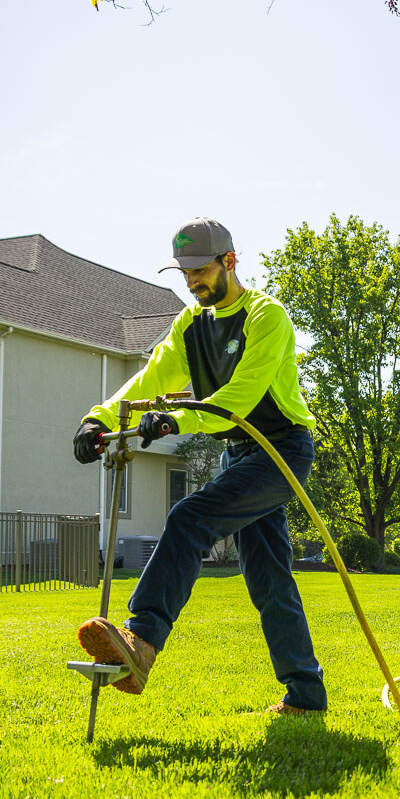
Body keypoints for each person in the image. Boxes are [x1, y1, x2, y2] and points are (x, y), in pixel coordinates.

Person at [71, 217, 325, 715]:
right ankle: (306, 696)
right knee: (270, 578)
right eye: (184, 273)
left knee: (190, 517)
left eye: (200, 270)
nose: (192, 282)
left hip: (280, 450)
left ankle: (141, 641)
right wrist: (96, 419)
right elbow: (152, 375)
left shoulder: (266, 316)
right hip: (240, 451)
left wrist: (175, 419)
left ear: (230, 261)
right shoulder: (190, 324)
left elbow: (240, 397)